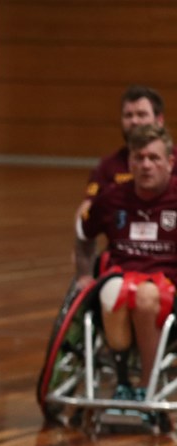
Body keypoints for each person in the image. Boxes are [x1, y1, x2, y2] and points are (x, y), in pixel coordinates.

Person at [75, 123, 177, 404]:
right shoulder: (112, 198)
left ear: (169, 162)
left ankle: (147, 381)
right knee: (115, 291)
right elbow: (83, 235)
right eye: (139, 158)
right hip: (121, 274)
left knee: (145, 296)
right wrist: (83, 275)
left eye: (154, 158)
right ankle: (122, 380)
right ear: (130, 162)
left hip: (167, 282)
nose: (146, 165)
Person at [79, 86, 165, 218]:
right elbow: (86, 211)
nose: (134, 121)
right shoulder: (107, 166)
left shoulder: (174, 159)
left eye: (141, 114)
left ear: (159, 120)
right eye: (128, 115)